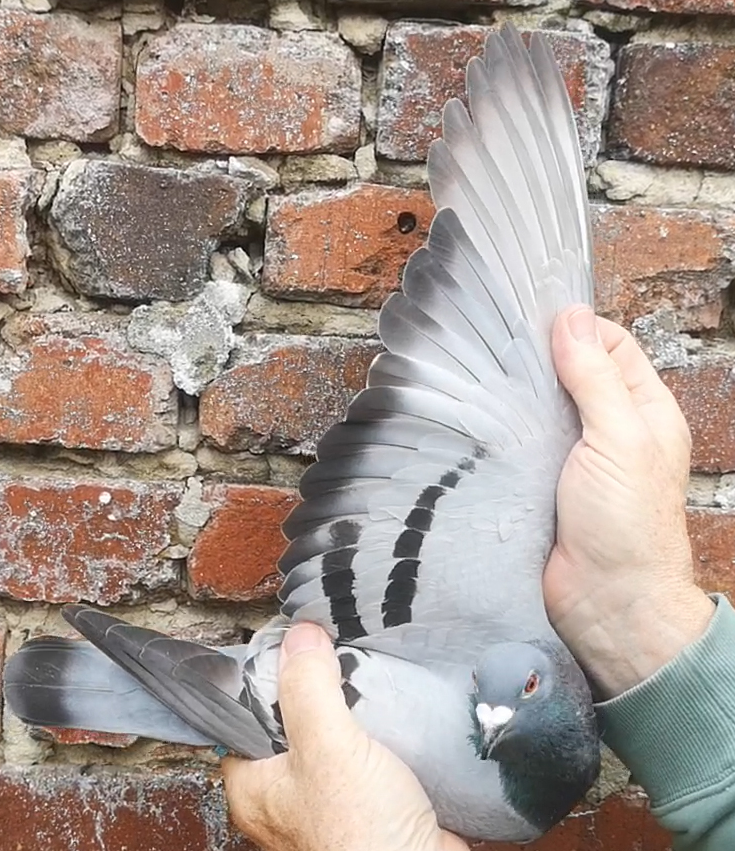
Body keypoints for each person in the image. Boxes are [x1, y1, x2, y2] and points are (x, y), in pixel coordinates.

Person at [222, 306, 735, 851]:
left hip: (291, 691)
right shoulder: (499, 790)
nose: (490, 725)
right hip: (304, 678)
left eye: (528, 689)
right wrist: (627, 601)